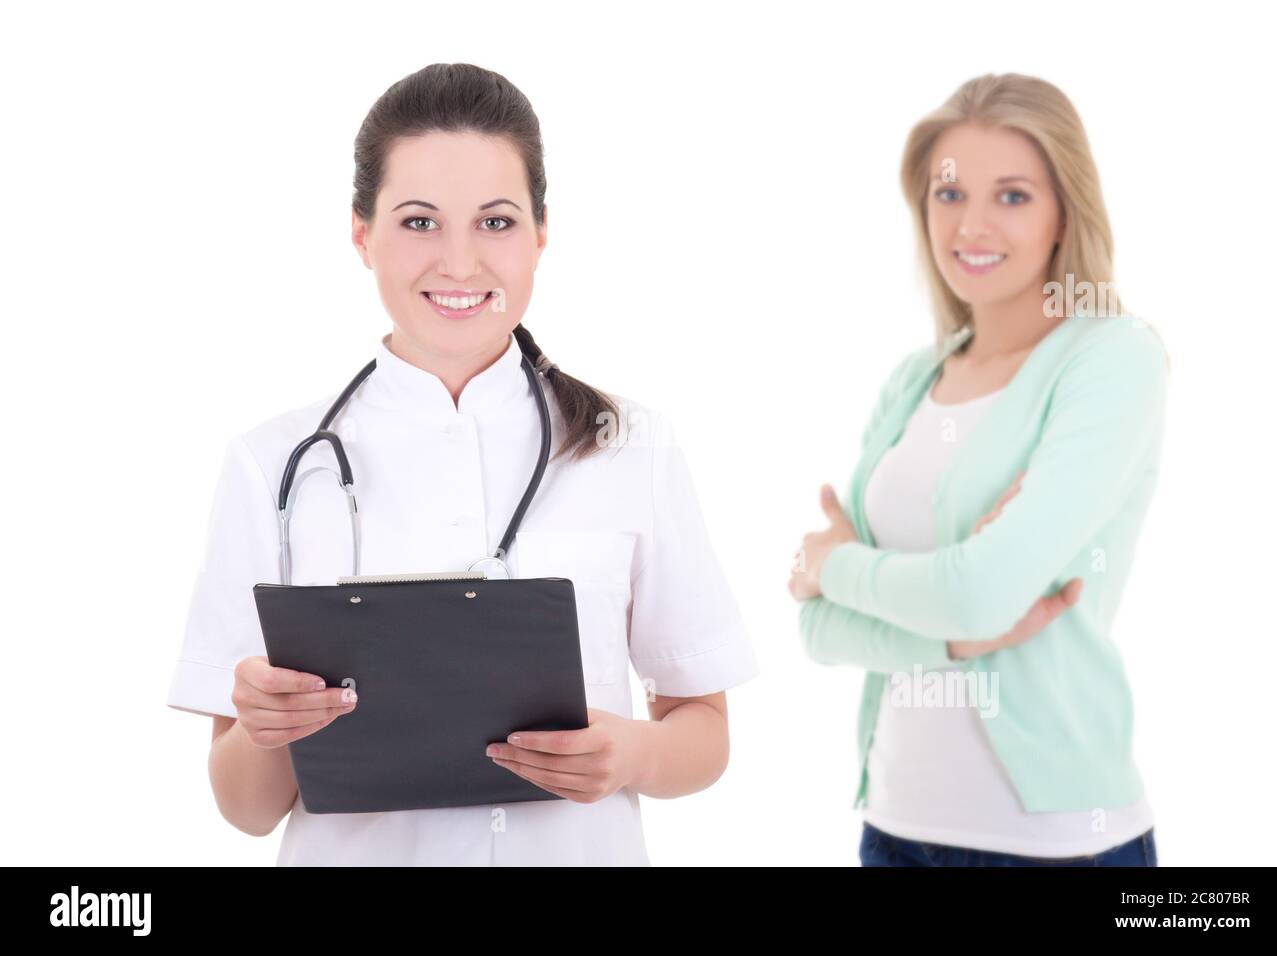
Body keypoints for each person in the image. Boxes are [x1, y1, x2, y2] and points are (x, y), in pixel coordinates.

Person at [166, 62, 758, 866]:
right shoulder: (270, 465)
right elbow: (244, 807)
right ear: (360, 234)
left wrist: (635, 754)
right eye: (418, 222)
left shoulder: (629, 443)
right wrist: (269, 731)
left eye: (496, 222)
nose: (458, 262)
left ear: (542, 232)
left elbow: (705, 730)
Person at [787, 73, 1168, 867]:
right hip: (894, 830)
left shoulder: (1111, 359)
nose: (973, 224)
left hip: (1054, 845)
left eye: (1015, 196)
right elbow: (819, 631)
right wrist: (954, 642)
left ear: (1067, 211)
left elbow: (978, 593)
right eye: (949, 194)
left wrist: (837, 564)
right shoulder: (914, 379)